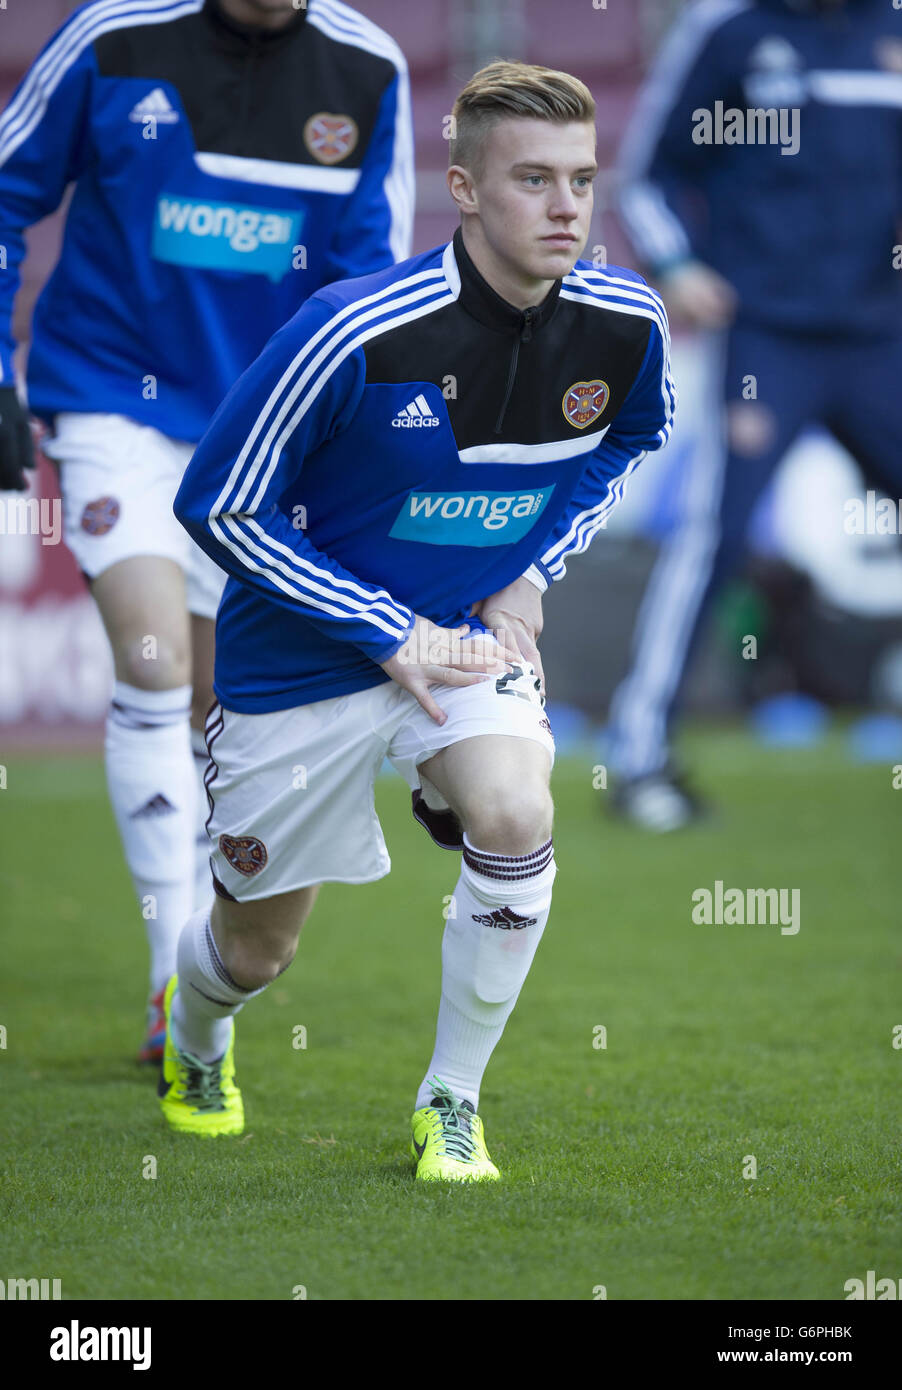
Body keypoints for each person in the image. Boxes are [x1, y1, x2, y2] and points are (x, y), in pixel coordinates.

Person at [159, 59, 675, 1181]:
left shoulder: (626, 324)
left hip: (465, 641)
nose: (564, 207)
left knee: (510, 811)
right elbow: (217, 503)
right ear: (464, 189)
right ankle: (194, 1037)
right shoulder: (350, 328)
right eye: (532, 180)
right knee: (254, 952)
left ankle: (451, 1100)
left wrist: (530, 569)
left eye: (581, 180)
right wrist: (383, 629)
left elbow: (625, 445)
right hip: (299, 661)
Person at [0, 0, 413, 1055]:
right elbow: (7, 189)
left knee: (212, 711)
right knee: (148, 663)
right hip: (112, 405)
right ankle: (162, 984)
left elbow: (373, 285)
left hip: (262, 434)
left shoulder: (366, 70)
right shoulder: (111, 38)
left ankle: (196, 951)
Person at [606, 0, 902, 831]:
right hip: (768, 337)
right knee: (717, 534)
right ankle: (639, 756)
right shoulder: (730, 30)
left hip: (883, 335)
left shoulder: (893, 28)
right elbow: (649, 173)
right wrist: (674, 263)